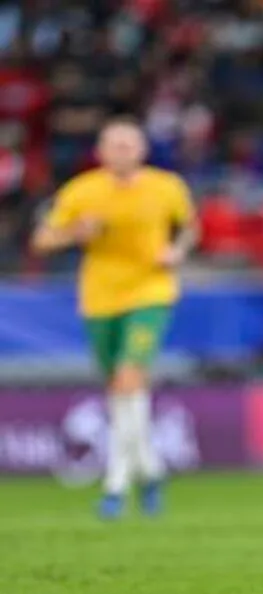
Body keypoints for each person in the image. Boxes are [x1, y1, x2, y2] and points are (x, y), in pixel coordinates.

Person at [31, 117, 198, 520]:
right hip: (100, 299)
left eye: (129, 144)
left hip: (150, 292)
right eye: (114, 145)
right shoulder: (82, 191)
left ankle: (115, 485)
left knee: (127, 376)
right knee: (121, 389)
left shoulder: (167, 186)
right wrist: (75, 233)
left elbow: (190, 228)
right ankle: (151, 471)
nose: (122, 151)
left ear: (142, 149)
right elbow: (41, 240)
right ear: (101, 152)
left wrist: (177, 251)